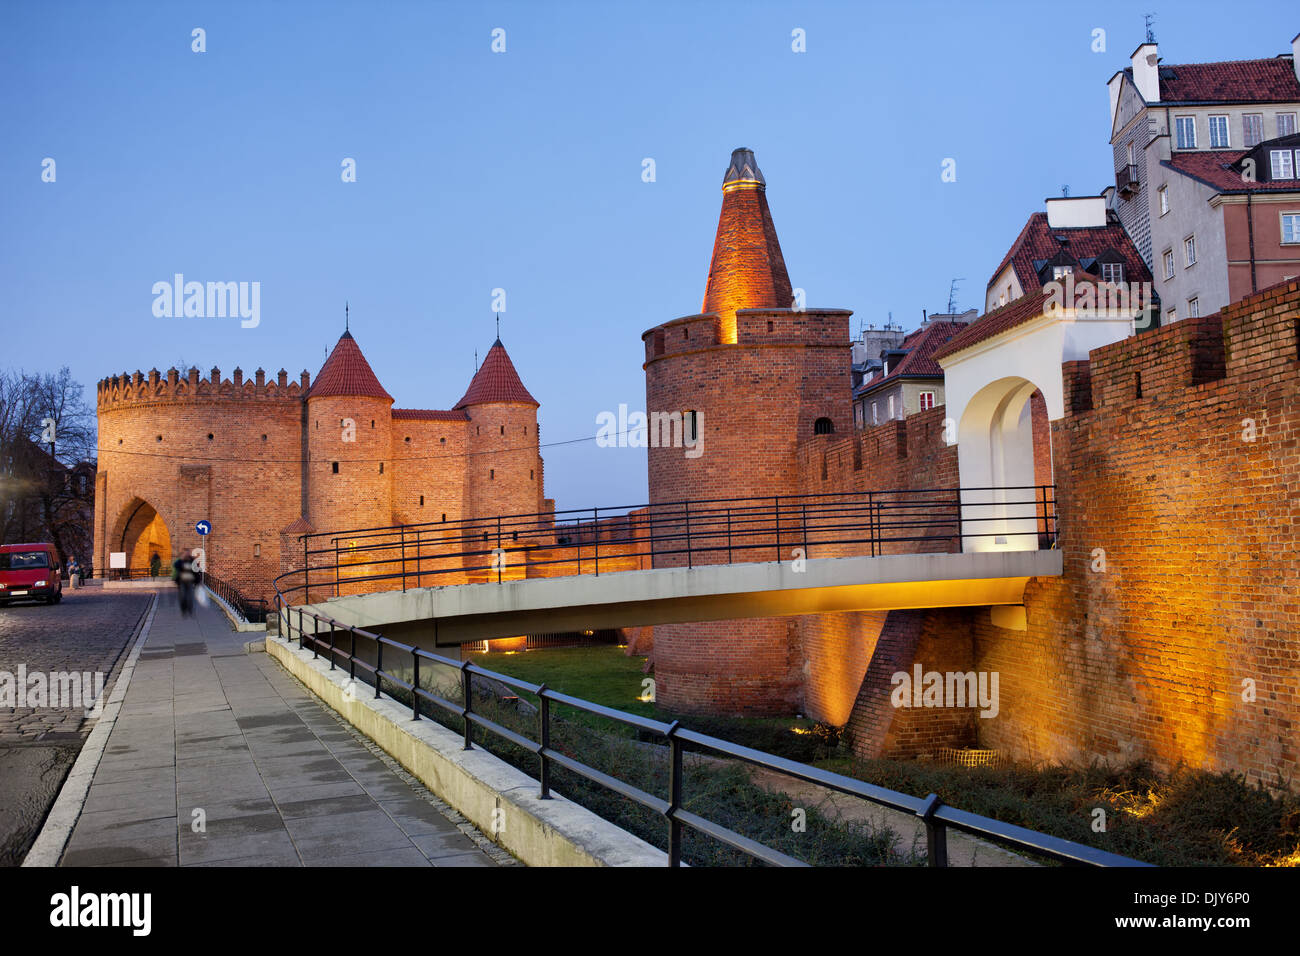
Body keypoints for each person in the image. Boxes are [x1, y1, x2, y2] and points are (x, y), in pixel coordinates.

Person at [173, 548, 197, 616]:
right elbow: (175, 565)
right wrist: (181, 559)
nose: (187, 554)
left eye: (188, 553)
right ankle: (183, 610)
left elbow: (196, 570)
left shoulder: (191, 560)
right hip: (182, 581)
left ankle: (190, 610)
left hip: (189, 581)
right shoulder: (180, 561)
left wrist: (197, 581)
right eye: (185, 553)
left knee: (190, 596)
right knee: (183, 596)